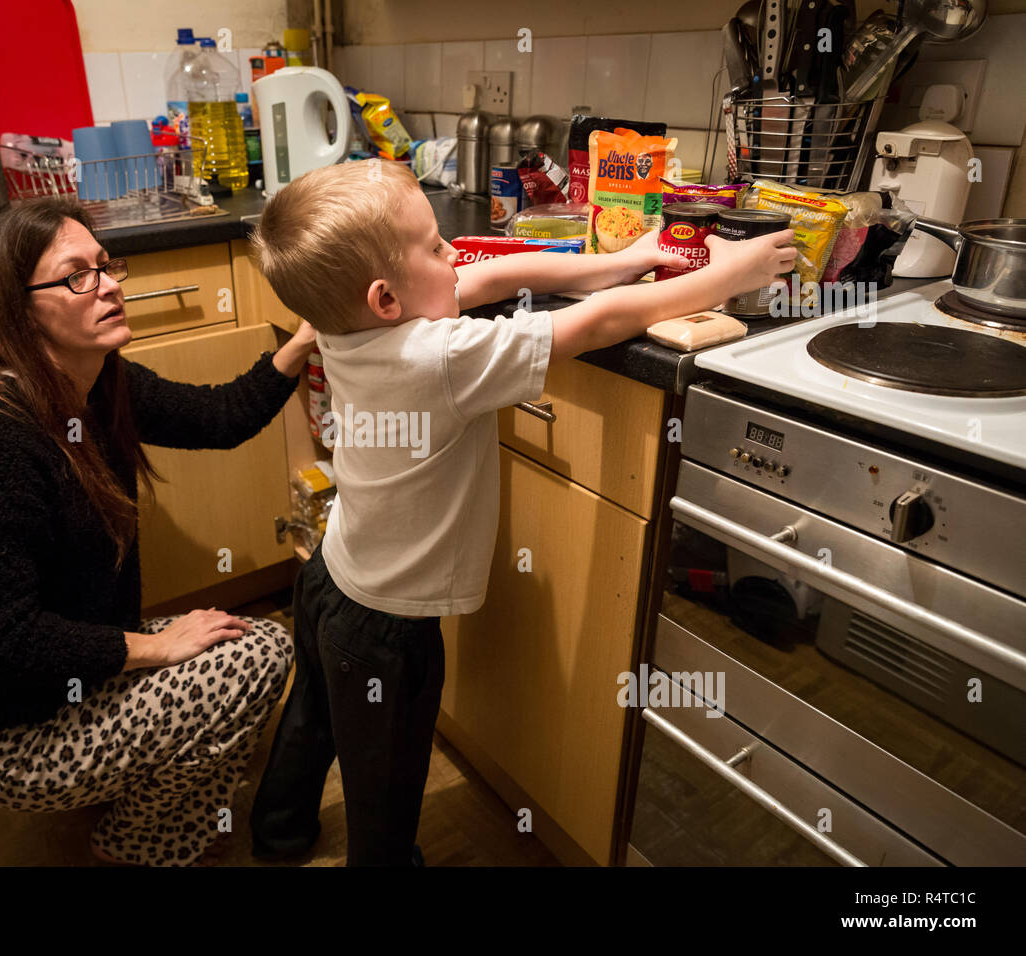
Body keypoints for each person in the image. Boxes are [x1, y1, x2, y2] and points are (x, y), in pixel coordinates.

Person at [247, 159, 796, 865]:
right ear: (386, 296)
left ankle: (277, 830)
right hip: (387, 627)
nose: (456, 255)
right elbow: (595, 326)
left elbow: (497, 277)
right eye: (436, 245)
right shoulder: (438, 356)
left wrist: (624, 258)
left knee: (314, 717)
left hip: (329, 578)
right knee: (386, 784)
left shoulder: (343, 322)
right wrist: (730, 274)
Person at [0, 196, 317, 866]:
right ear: (20, 310)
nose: (108, 285)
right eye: (77, 275)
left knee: (241, 643)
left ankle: (129, 793)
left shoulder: (97, 380)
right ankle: (139, 846)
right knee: (256, 657)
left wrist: (307, 338)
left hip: (67, 684)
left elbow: (218, 417)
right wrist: (152, 649)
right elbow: (0, 640)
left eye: (106, 267)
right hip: (16, 735)